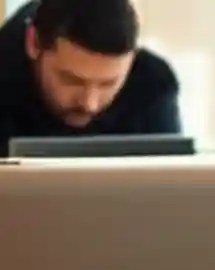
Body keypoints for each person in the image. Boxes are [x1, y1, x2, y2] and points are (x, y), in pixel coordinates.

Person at [0, 0, 180, 155]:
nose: (89, 104)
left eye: (108, 84)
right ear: (33, 43)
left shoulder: (154, 83)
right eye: (71, 80)